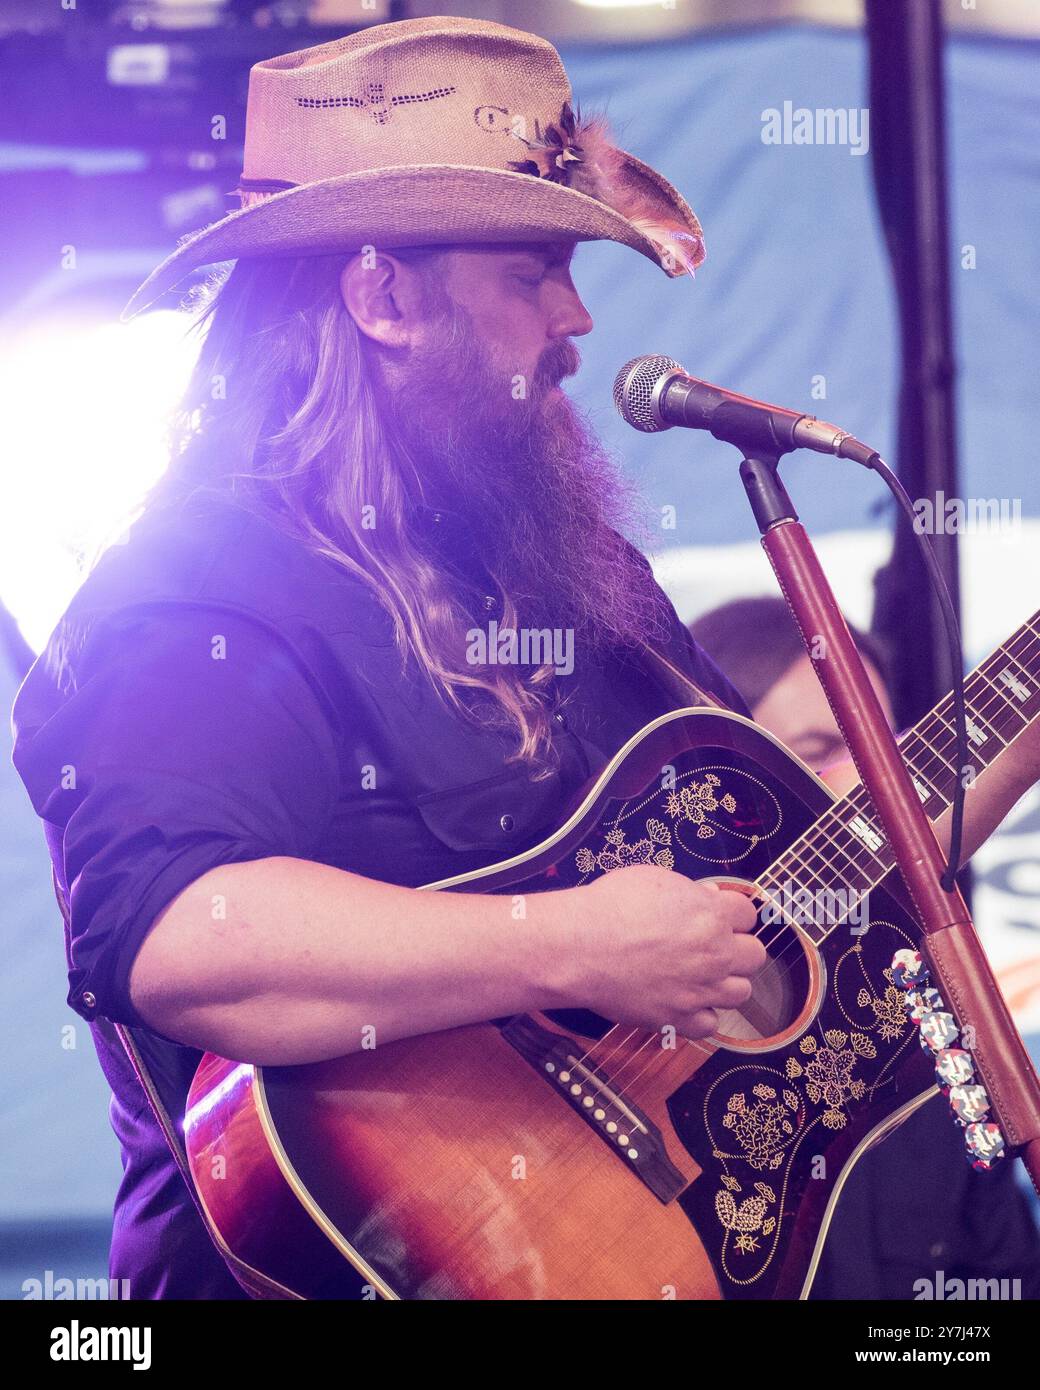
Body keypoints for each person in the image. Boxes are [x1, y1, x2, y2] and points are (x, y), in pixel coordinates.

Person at [11, 18, 1039, 1300]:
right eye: (532, 271)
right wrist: (564, 945)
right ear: (381, 294)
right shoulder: (196, 584)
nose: (577, 316)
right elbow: (180, 938)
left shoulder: (571, 570)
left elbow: (794, 884)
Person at [690, 595, 1040, 1298]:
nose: (873, 786)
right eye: (821, 753)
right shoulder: (617, 1025)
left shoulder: (929, 1042)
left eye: (883, 752)